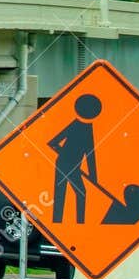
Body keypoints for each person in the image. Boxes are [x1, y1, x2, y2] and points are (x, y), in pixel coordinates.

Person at [48, 93, 101, 222]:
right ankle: (59, 222)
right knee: (63, 193)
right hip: (63, 164)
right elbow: (53, 142)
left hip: (73, 166)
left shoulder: (88, 128)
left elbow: (90, 154)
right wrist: (64, 154)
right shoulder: (75, 124)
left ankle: (79, 223)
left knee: (80, 193)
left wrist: (94, 177)